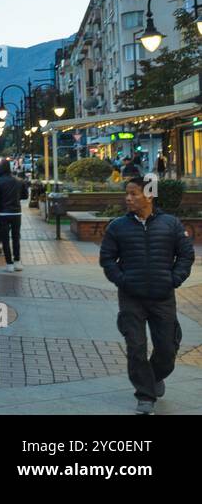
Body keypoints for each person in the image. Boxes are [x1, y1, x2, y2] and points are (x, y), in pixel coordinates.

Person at [99, 175, 195, 414]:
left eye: (134, 193)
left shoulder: (171, 224)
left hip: (162, 297)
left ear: (149, 195)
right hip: (132, 297)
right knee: (136, 347)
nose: (128, 198)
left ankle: (153, 377)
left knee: (167, 349)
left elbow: (186, 255)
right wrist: (123, 280)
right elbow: (107, 258)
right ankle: (145, 396)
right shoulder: (117, 226)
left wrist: (173, 279)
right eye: (127, 193)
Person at [0, 159, 28, 270]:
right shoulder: (19, 181)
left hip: (2, 213)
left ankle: (9, 264)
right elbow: (25, 196)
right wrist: (15, 198)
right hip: (16, 212)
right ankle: (17, 261)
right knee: (16, 237)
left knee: (5, 238)